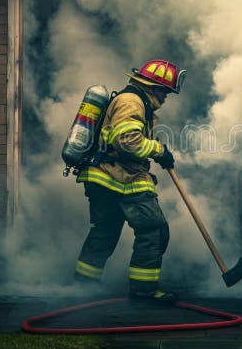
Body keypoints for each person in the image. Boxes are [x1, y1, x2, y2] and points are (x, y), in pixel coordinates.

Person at [74, 59, 185, 303]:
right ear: (153, 86)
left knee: (104, 232)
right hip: (121, 178)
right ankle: (144, 291)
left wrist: (155, 154)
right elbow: (128, 141)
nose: (166, 97)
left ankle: (82, 287)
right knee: (153, 230)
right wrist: (159, 151)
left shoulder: (135, 101)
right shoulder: (131, 101)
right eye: (165, 91)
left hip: (104, 177)